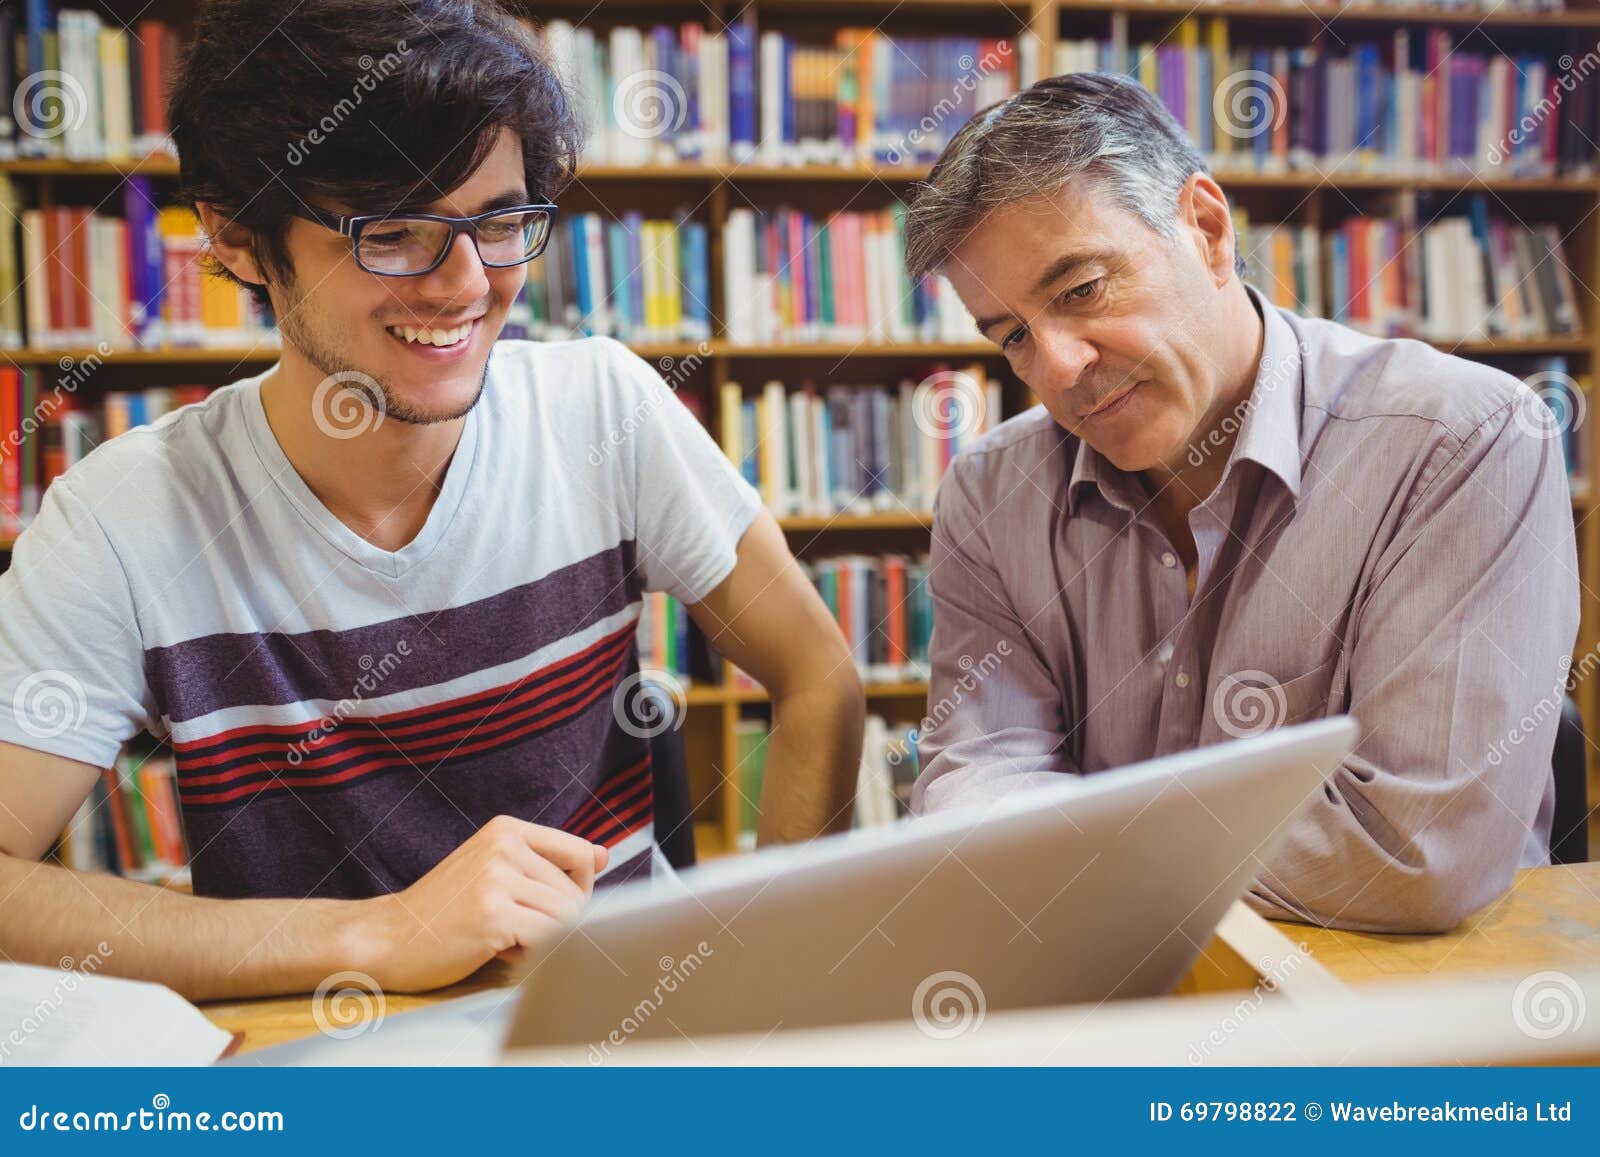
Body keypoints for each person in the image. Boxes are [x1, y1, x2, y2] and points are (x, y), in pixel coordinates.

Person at [0, 0, 864, 1000]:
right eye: (395, 232)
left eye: (498, 223)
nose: (463, 284)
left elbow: (819, 680)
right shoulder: (125, 516)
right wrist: (376, 935)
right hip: (322, 1059)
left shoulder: (602, 408)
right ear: (238, 239)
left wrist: (760, 984)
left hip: (613, 1035)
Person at [901, 72, 1579, 933]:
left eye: (1081, 290)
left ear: (1208, 231)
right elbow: (969, 789)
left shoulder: (1461, 440)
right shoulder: (991, 494)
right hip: (1124, 1003)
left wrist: (1063, 835)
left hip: (1395, 1018)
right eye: (1013, 337)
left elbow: (1417, 855)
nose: (1059, 368)